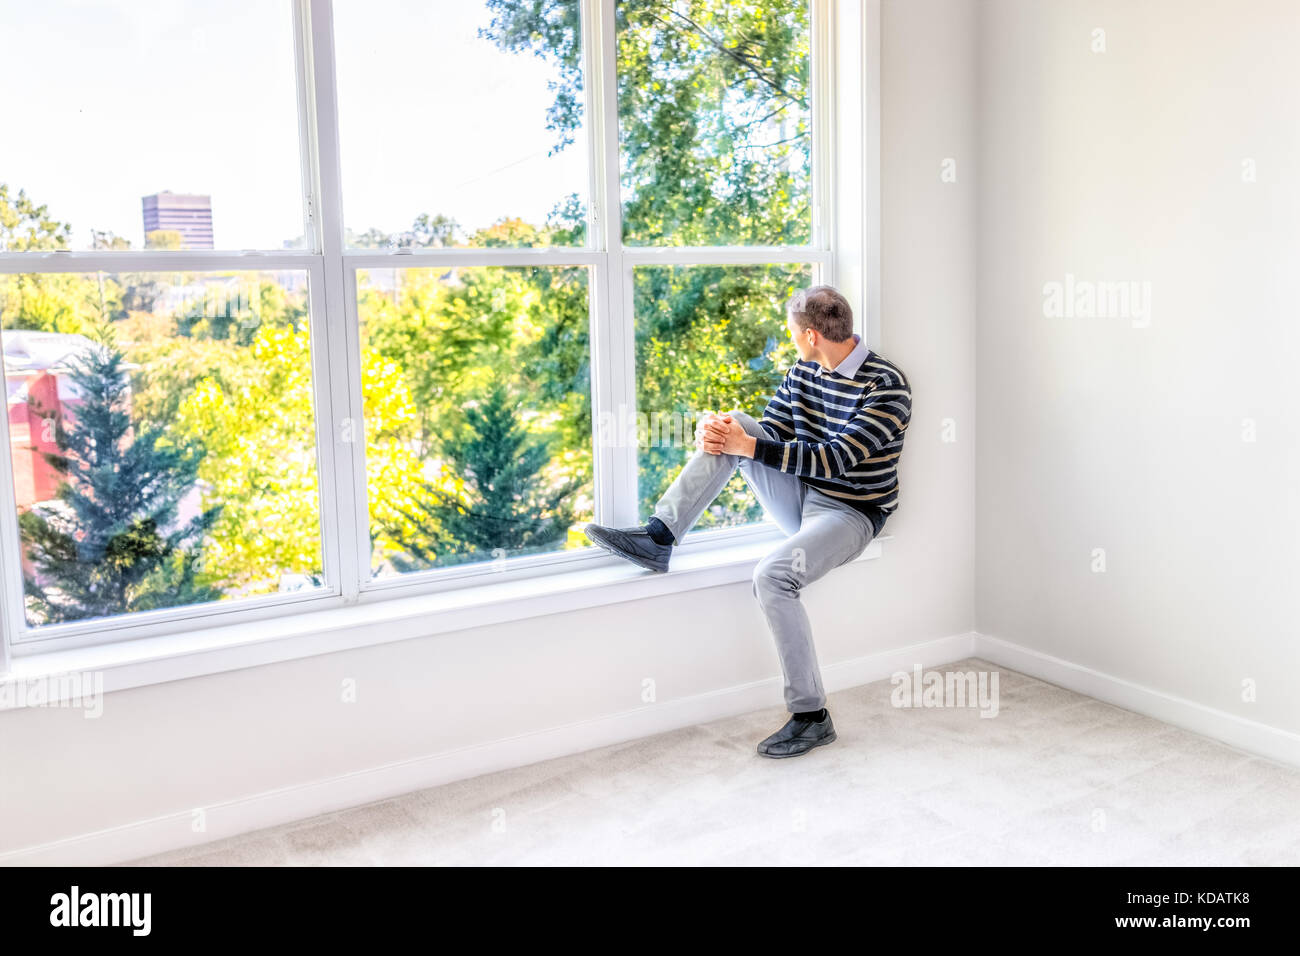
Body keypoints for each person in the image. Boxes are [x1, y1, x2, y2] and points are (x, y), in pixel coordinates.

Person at [584, 285, 913, 758]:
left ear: (812, 334)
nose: (793, 340)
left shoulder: (886, 385)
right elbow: (774, 430)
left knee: (773, 577)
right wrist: (721, 435)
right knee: (736, 422)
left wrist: (749, 447)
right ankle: (659, 537)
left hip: (851, 512)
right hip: (803, 496)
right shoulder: (805, 368)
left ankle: (811, 716)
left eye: (794, 333)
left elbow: (838, 459)